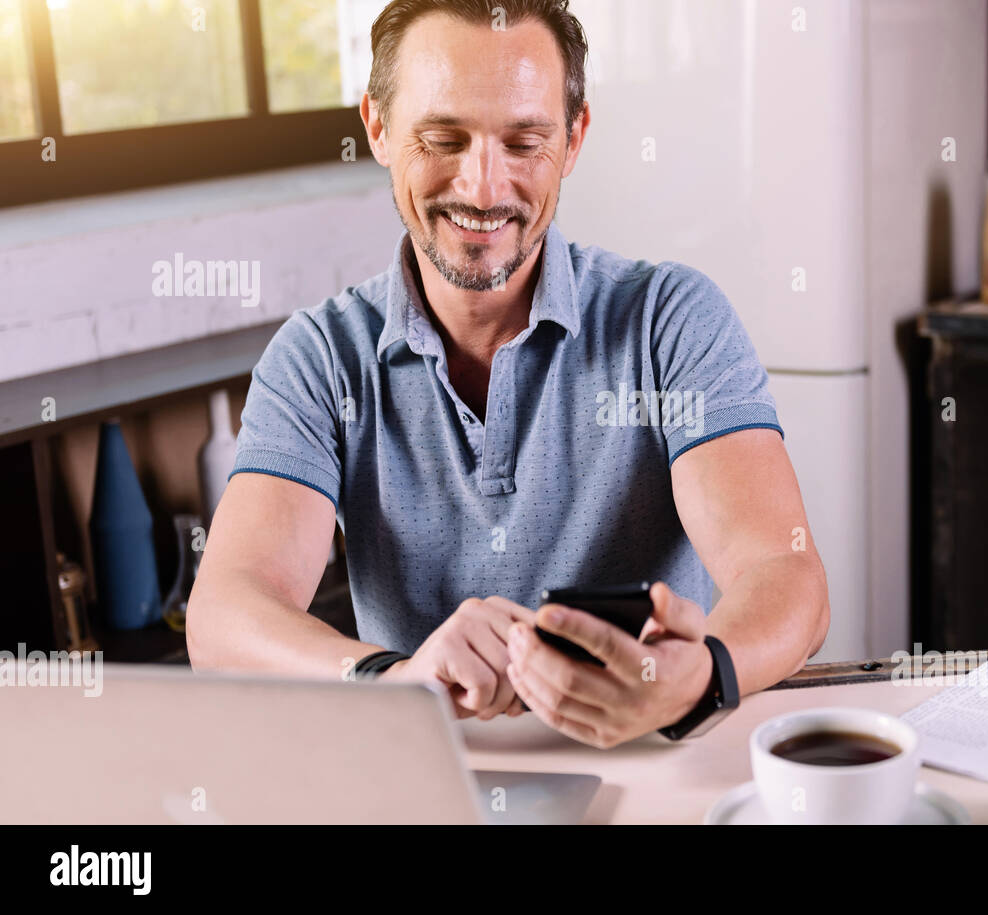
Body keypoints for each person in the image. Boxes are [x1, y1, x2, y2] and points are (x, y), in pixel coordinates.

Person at [187, 0, 829, 748]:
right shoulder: (319, 356)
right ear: (379, 128)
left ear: (575, 137)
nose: (484, 188)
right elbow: (224, 613)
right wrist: (391, 681)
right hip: (433, 786)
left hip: (651, 772)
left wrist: (703, 674)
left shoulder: (669, 319)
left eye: (524, 141)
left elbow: (786, 577)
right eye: (442, 138)